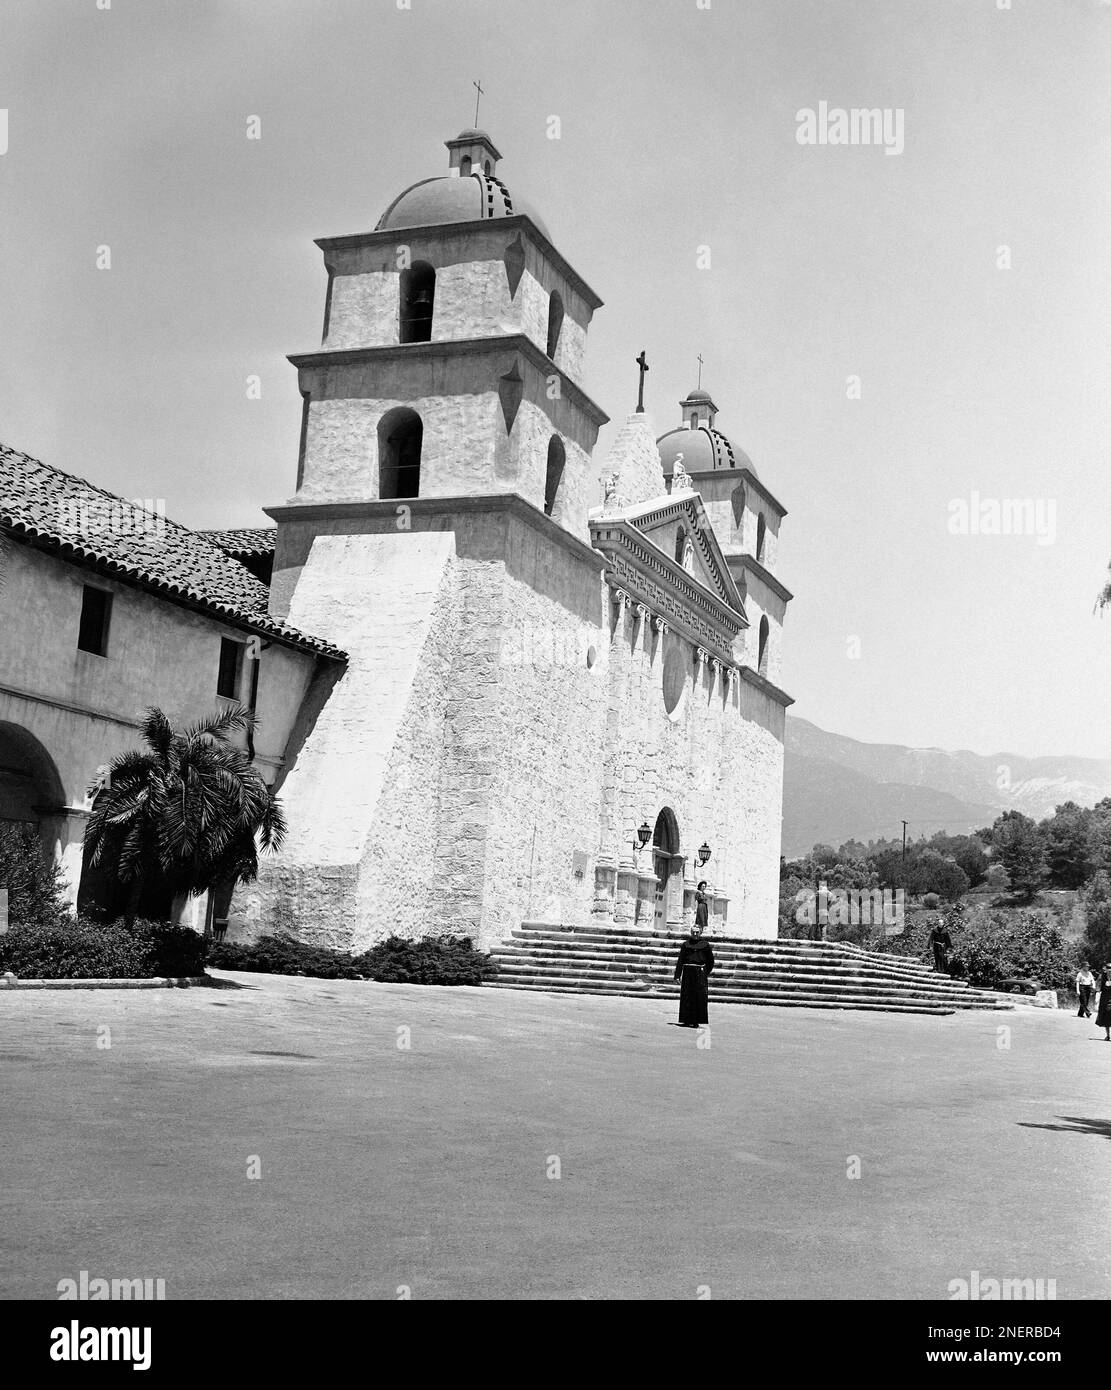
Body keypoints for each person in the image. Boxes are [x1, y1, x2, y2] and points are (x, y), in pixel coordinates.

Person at [673, 921, 714, 1027]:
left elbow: (710, 961)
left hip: (699, 973)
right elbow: (680, 960)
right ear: (691, 932)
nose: (695, 934)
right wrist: (677, 975)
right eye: (693, 932)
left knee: (698, 996)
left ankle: (696, 1021)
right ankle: (686, 1020)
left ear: (700, 933)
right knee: (687, 996)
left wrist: (705, 972)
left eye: (697, 932)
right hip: (687, 973)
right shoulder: (686, 945)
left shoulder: (705, 945)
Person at [1097, 965, 1111, 1042]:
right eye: (1108, 969)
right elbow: (1098, 987)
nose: (1110, 971)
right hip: (1104, 999)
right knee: (1106, 1017)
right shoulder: (1102, 976)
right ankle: (1108, 1035)